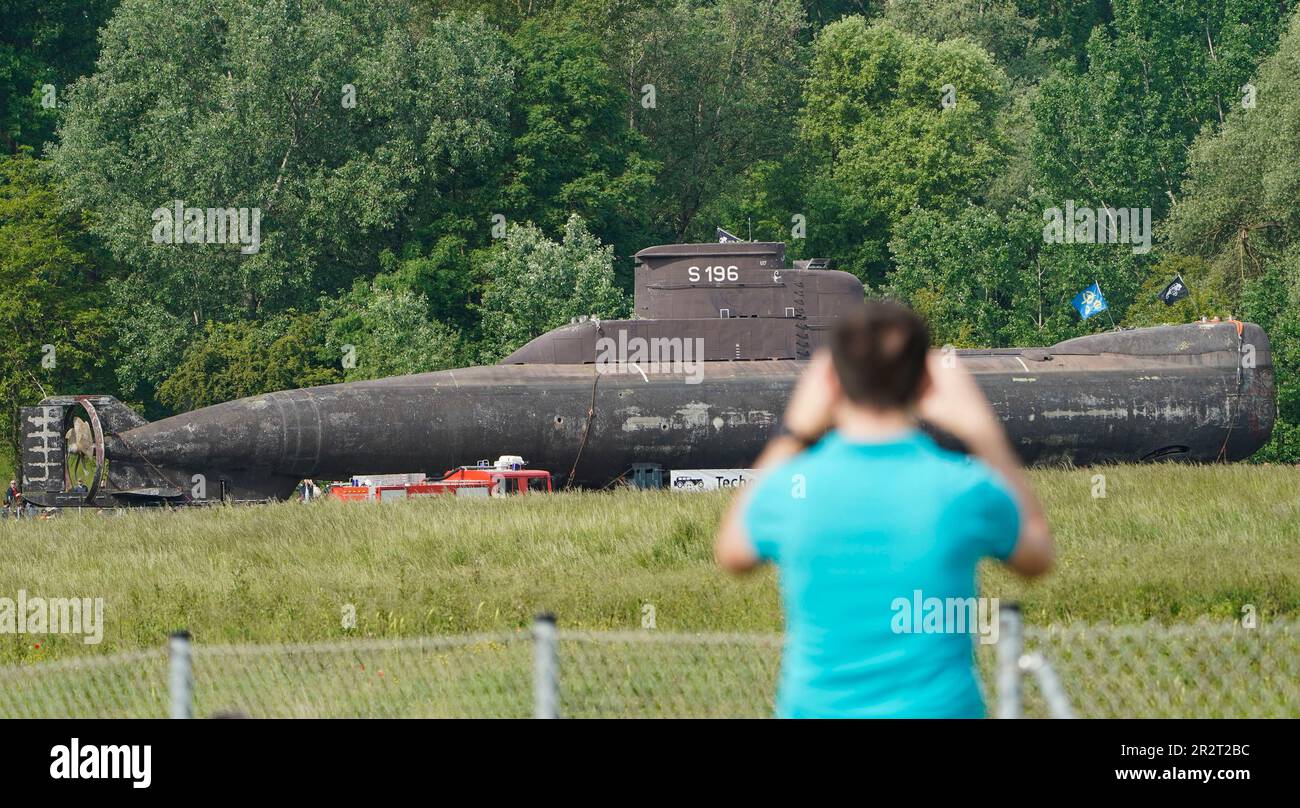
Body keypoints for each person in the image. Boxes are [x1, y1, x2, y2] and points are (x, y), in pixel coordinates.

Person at [715, 300, 1054, 718]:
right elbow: (1037, 554)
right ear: (924, 383)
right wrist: (981, 429)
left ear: (831, 381)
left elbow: (732, 552)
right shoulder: (963, 484)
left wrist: (794, 431)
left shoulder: (789, 488)